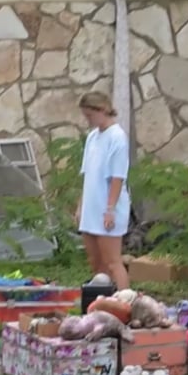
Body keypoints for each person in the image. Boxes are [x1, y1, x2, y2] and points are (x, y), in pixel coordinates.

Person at [74, 91, 131, 289]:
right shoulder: (92, 137)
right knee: (97, 265)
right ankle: (102, 303)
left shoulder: (117, 137)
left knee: (112, 262)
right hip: (91, 207)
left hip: (108, 207)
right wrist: (81, 206)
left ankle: (126, 301)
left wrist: (110, 209)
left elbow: (117, 177)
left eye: (90, 116)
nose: (88, 121)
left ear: (103, 110)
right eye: (86, 116)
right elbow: (87, 174)